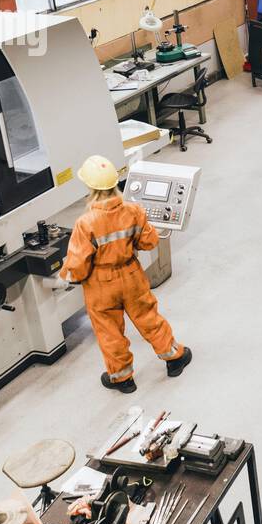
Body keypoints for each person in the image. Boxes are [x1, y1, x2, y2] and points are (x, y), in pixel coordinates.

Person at [58, 154, 191, 392]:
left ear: (89, 186)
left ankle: (122, 378)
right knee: (149, 319)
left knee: (109, 331)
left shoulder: (85, 222)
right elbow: (149, 241)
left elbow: (76, 266)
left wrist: (66, 278)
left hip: (100, 285)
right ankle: (174, 359)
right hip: (132, 276)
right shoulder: (133, 210)